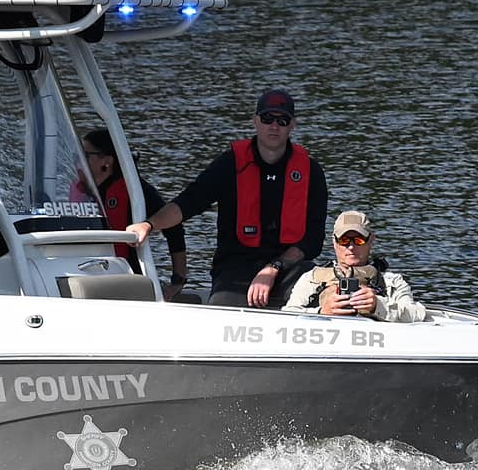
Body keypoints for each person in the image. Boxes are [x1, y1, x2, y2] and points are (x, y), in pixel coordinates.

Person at [125, 87, 328, 307]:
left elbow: (313, 240)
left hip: (287, 268)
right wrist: (149, 224)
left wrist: (273, 268)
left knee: (319, 293)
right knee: (222, 304)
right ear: (256, 121)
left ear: (292, 126)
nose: (274, 126)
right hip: (235, 269)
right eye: (268, 118)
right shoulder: (230, 164)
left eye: (283, 121)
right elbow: (189, 202)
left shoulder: (310, 172)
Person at [78, 128, 189, 295]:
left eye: (85, 155)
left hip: (126, 276)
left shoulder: (136, 192)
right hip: (85, 271)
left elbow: (174, 229)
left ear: (106, 161)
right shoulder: (81, 192)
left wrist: (178, 280)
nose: (78, 160)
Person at [282, 211, 427, 322]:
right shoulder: (312, 278)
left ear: (371, 240)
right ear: (334, 242)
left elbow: (416, 314)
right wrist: (322, 311)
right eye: (344, 240)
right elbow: (288, 314)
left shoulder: (392, 282)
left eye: (358, 240)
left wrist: (377, 306)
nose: (350, 247)